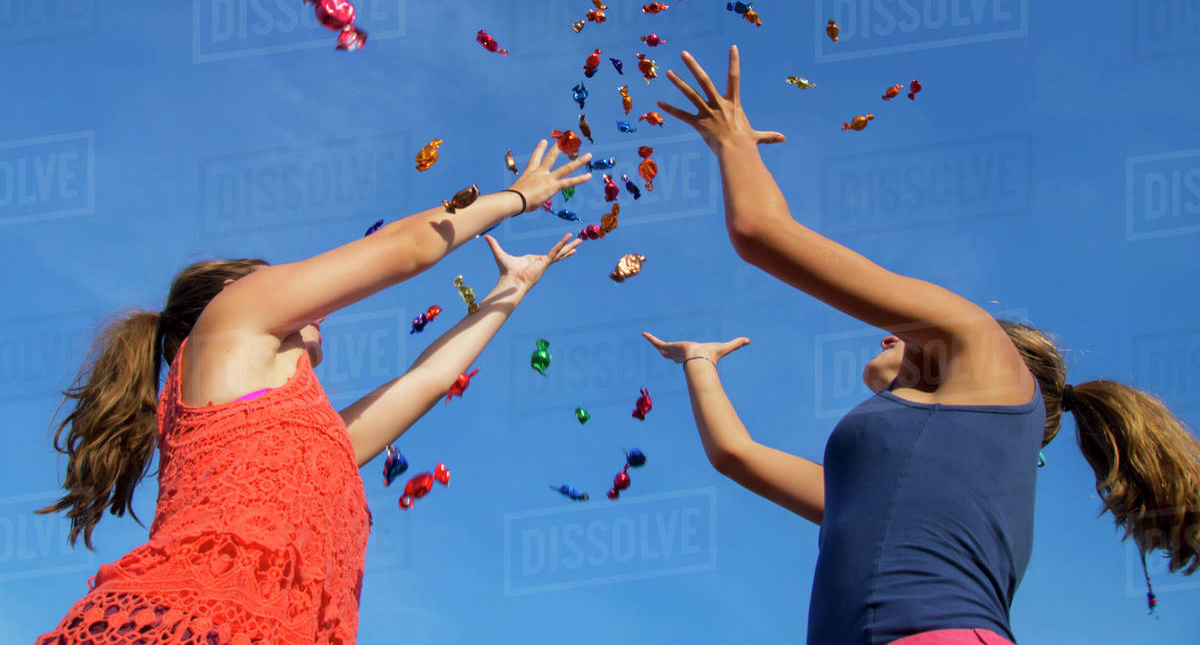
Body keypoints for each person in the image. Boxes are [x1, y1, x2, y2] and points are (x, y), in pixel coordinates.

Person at [643, 47, 1200, 645]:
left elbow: (761, 232)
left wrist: (733, 142)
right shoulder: (885, 486)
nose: (889, 330)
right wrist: (697, 359)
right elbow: (735, 454)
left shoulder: (981, 346)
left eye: (906, 328)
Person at [36, 141, 593, 644]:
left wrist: (511, 289)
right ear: (232, 292)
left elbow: (427, 381)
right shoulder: (229, 318)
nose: (307, 293)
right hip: (183, 624)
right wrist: (519, 196)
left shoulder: (322, 438)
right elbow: (411, 247)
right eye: (282, 279)